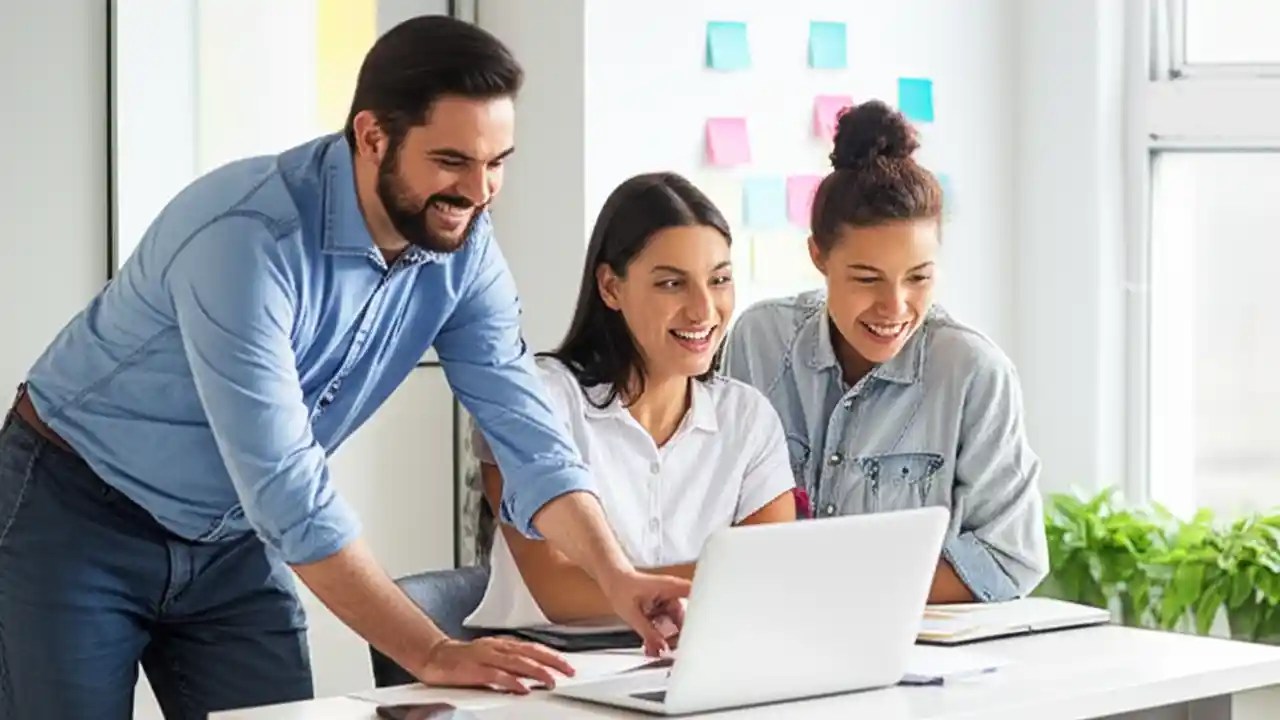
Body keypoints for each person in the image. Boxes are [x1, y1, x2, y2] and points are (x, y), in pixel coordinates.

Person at [0, 16, 688, 719]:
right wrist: (430, 650)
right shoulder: (247, 239)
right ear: (372, 136)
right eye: (452, 161)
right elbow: (288, 488)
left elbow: (529, 435)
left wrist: (618, 576)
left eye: (497, 162)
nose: (480, 192)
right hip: (76, 510)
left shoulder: (464, 246)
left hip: (232, 536)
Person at [723, 100, 1048, 604]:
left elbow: (1008, 560)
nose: (894, 307)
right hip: (761, 630)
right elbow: (719, 510)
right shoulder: (758, 342)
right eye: (866, 278)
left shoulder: (973, 374)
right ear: (819, 256)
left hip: (910, 649)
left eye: (919, 277)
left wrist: (836, 595)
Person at [463, 173, 796, 630]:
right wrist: (728, 580)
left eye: (719, 280)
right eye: (671, 284)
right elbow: (557, 590)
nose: (703, 309)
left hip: (693, 666)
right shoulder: (539, 403)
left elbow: (774, 579)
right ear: (610, 287)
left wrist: (745, 583)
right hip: (544, 671)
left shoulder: (748, 418)